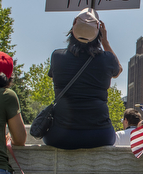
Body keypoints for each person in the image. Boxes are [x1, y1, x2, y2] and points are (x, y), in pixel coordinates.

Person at [43, 8, 122, 149]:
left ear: (73, 27)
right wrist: (105, 42)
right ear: (99, 31)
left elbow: (54, 78)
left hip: (60, 135)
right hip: (99, 135)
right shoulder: (107, 59)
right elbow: (118, 71)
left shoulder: (57, 56)